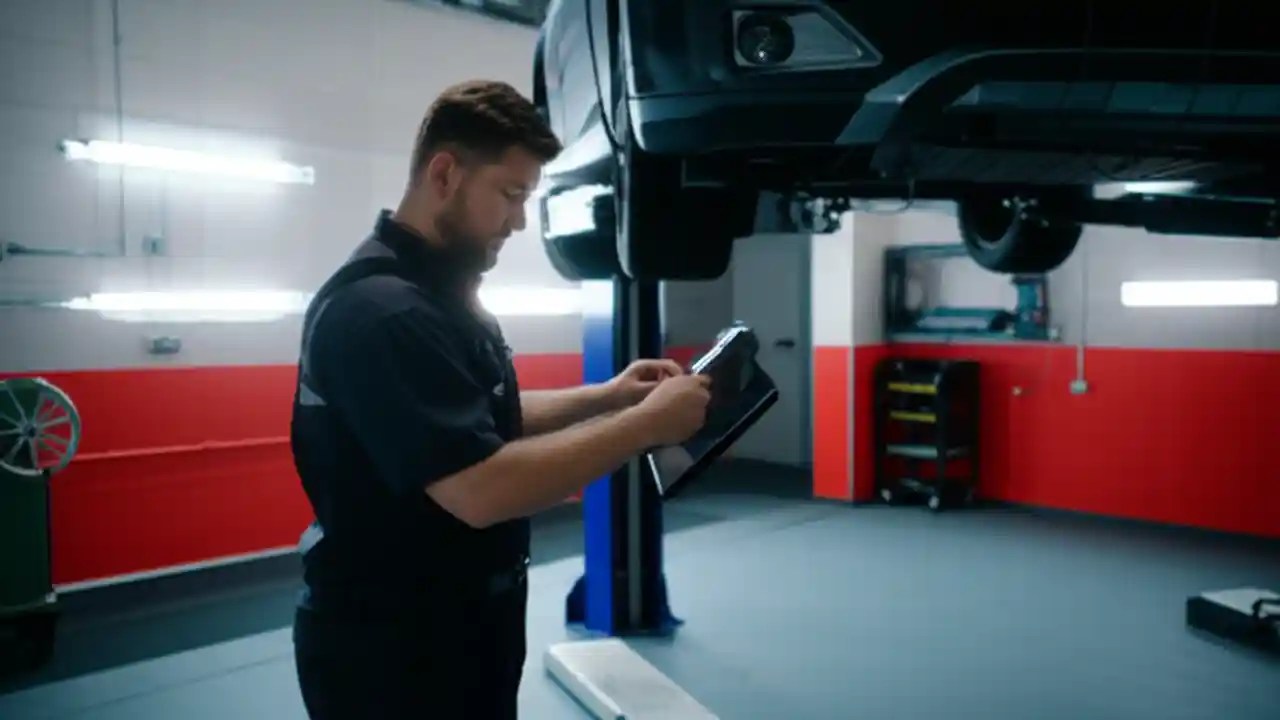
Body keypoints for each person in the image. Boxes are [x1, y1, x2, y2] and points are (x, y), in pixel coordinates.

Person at [288, 80, 712, 719]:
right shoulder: (382, 313)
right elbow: (481, 489)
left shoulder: (433, 295)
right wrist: (645, 426)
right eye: (511, 195)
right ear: (445, 173)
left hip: (456, 629)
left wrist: (611, 398)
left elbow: (476, 421)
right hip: (393, 654)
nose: (518, 220)